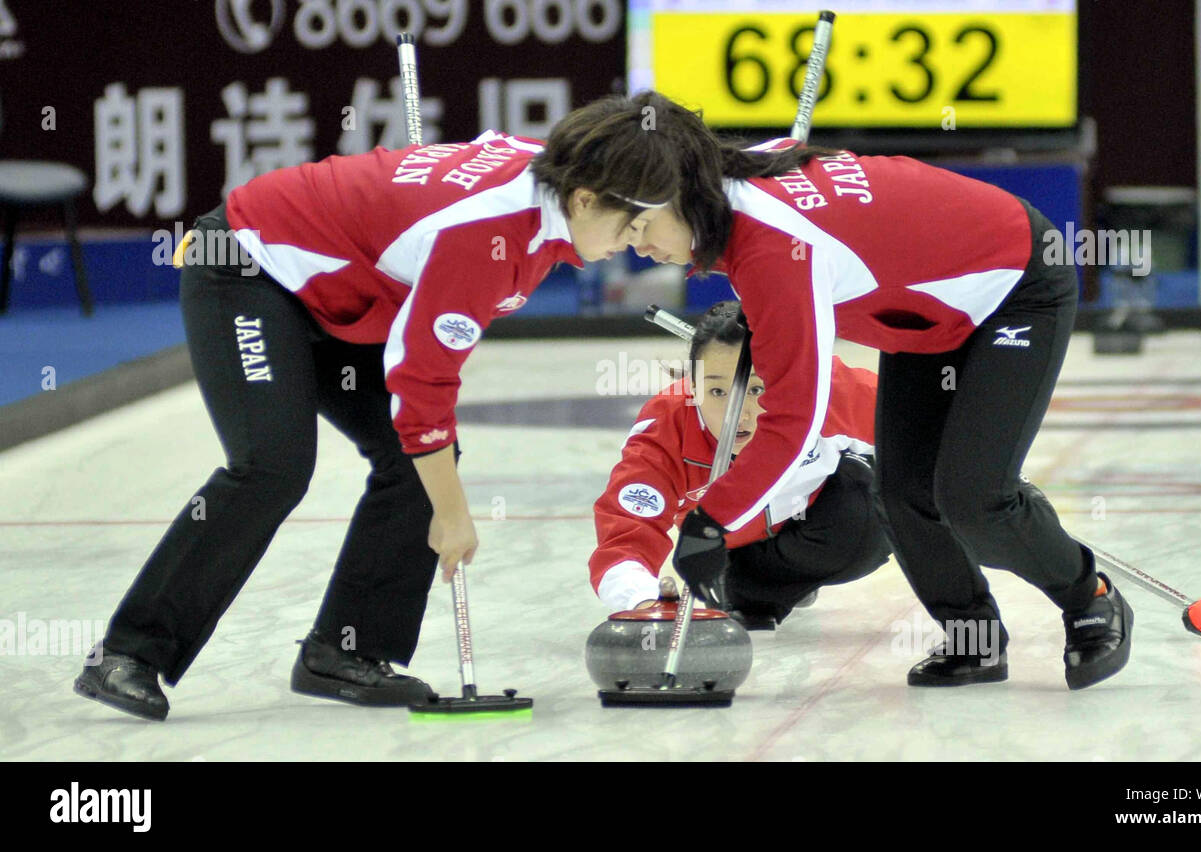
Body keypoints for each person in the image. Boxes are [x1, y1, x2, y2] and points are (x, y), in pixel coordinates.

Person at [75, 92, 715, 721]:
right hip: (248, 267)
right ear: (583, 199)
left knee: (420, 464)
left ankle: (345, 651)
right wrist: (454, 514)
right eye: (627, 224)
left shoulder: (558, 182)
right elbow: (422, 384)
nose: (632, 242)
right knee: (273, 464)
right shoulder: (490, 231)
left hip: (343, 298)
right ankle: (130, 654)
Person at [632, 134, 1133, 690]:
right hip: (924, 311)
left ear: (683, 200)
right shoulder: (742, 174)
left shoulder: (771, 244)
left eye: (643, 228)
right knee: (900, 494)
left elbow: (793, 422)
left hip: (1013, 285)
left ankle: (1090, 597)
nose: (640, 248)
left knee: (975, 498)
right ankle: (975, 638)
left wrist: (710, 521)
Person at [589, 301, 891, 629]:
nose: (740, 412)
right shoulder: (667, 428)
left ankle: (780, 585)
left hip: (826, 518)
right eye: (718, 390)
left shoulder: (824, 390)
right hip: (733, 554)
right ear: (692, 387)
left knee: (871, 513)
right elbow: (625, 534)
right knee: (722, 581)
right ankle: (765, 587)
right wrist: (642, 601)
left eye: (757, 389)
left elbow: (919, 430)